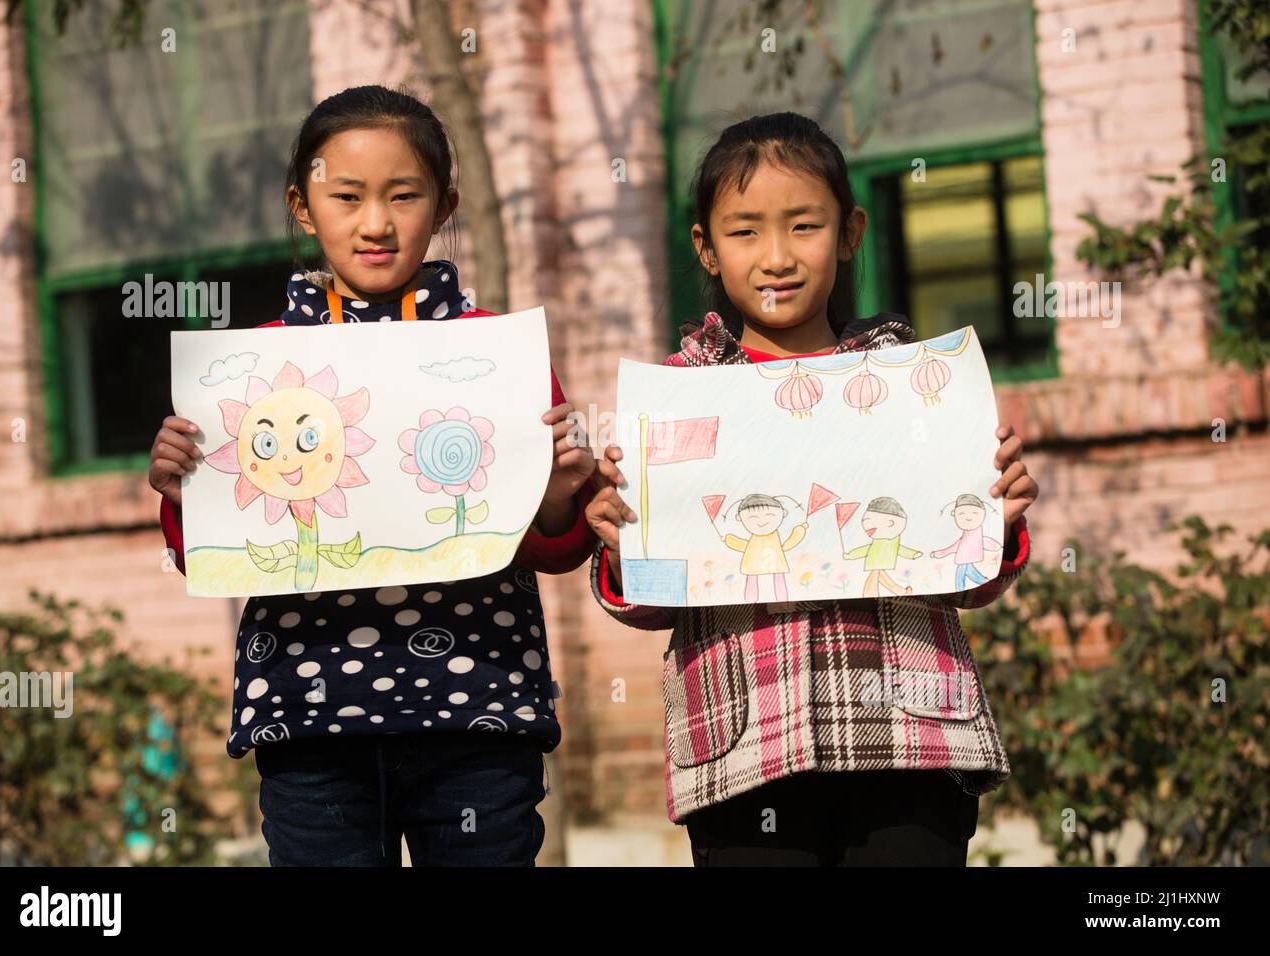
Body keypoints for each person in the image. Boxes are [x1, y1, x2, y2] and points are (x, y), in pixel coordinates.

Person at [148, 86, 596, 866]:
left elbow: (558, 549)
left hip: (479, 710)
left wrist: (559, 494)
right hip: (308, 715)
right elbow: (205, 554)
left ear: (445, 203)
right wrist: (185, 487)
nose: (376, 223)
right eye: (346, 196)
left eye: (404, 195)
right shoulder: (251, 368)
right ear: (301, 203)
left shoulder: (501, 356)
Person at [586, 112, 1039, 866]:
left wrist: (998, 517)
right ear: (705, 246)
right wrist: (623, 544)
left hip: (909, 737)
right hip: (743, 745)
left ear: (850, 231)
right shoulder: (677, 400)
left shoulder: (913, 384)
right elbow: (656, 596)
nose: (777, 257)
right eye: (745, 232)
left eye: (804, 226)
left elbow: (965, 575)